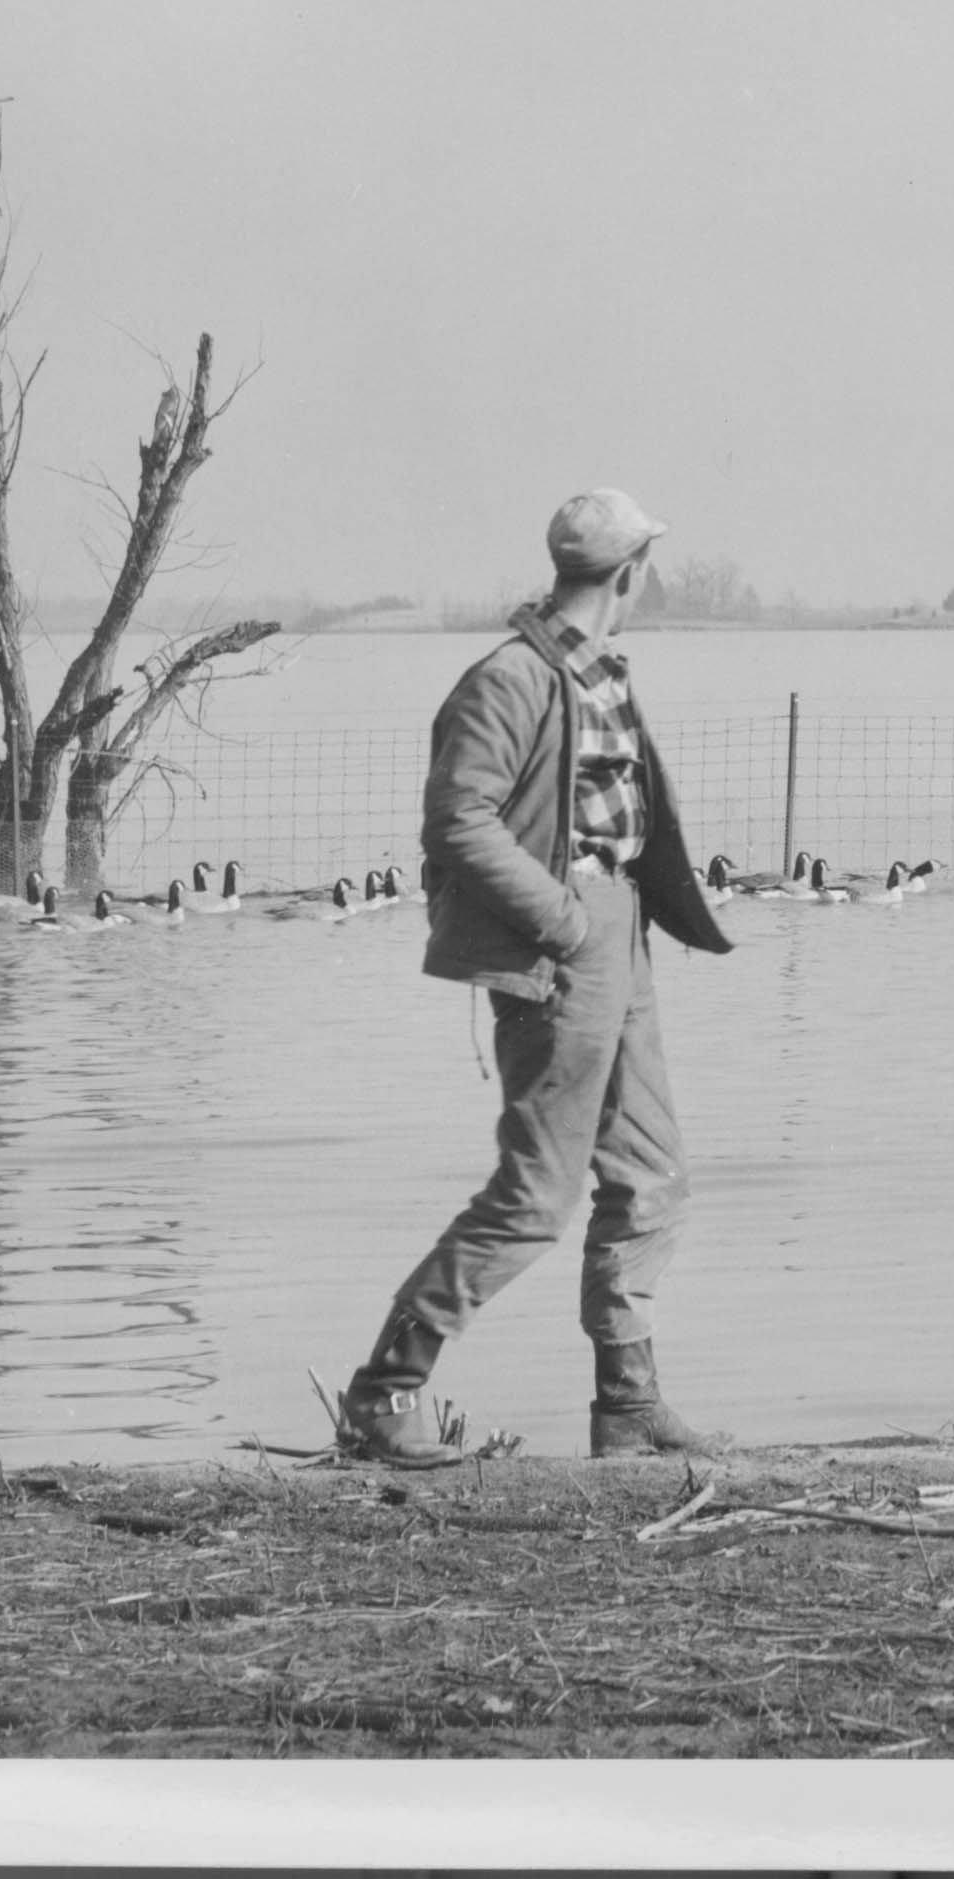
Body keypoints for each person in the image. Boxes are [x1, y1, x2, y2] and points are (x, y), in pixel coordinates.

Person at [337, 488, 736, 1466]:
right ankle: (382, 1393)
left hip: (622, 931)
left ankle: (629, 1406)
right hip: (560, 940)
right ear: (633, 573)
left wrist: (625, 915)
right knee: (535, 1197)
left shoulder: (594, 670)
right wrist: (560, 918)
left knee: (651, 1177)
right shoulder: (510, 678)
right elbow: (457, 822)